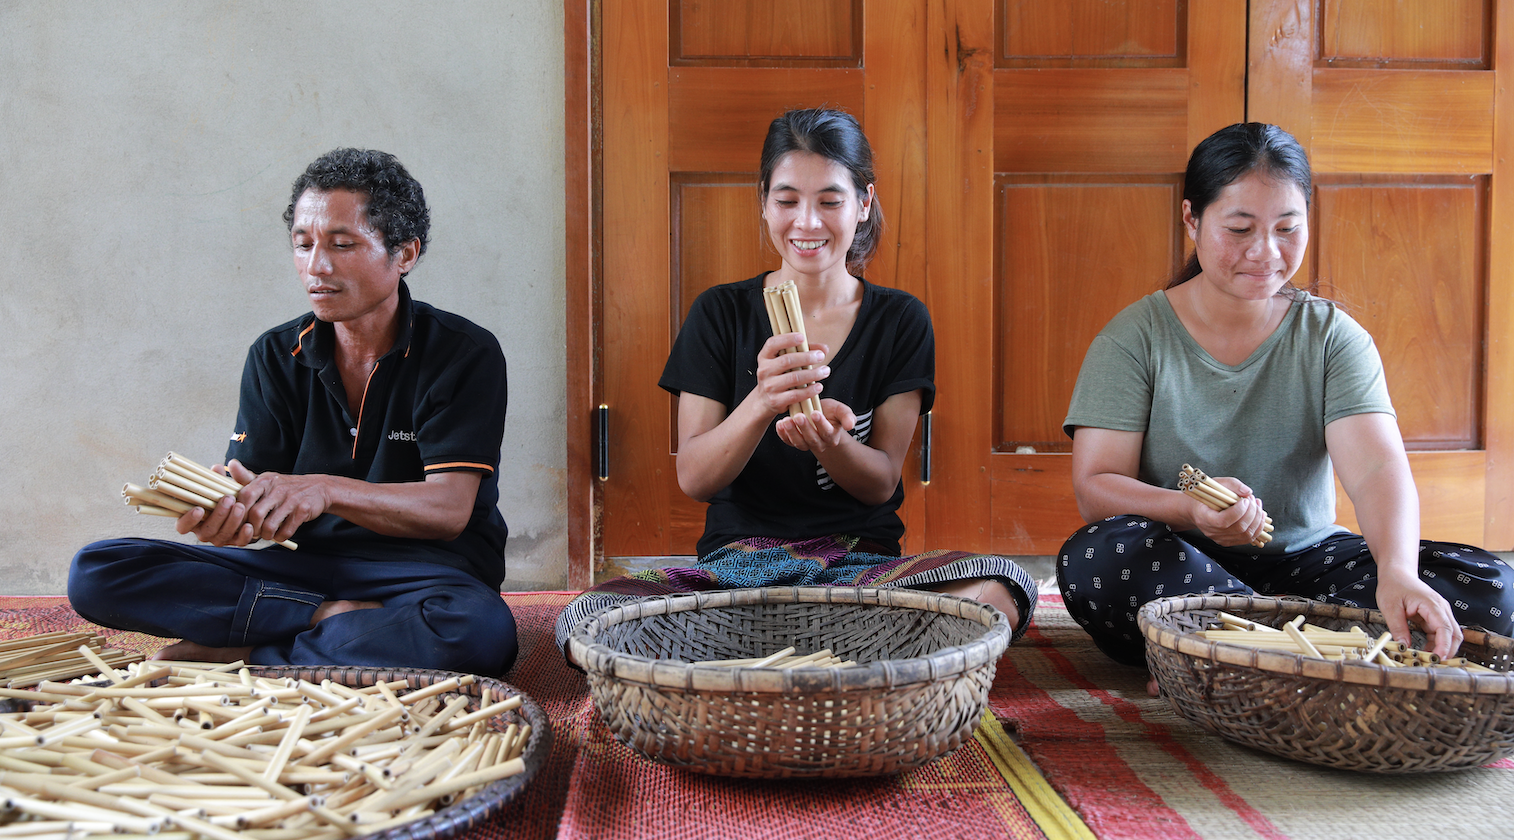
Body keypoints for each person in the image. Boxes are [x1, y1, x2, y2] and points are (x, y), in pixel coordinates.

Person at [556, 108, 1037, 657]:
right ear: (764, 202)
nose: (807, 223)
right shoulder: (721, 312)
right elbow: (695, 477)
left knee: (997, 586)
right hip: (739, 571)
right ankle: (846, 654)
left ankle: (766, 652)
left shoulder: (900, 318)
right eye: (787, 200)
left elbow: (879, 483)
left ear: (864, 204)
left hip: (862, 572)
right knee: (588, 617)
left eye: (830, 201)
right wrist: (762, 402)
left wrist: (831, 444)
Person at [1056, 122, 1514, 690]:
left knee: (1494, 588)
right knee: (1096, 559)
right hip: (1180, 565)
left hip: (1307, 565)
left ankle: (1221, 654)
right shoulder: (1134, 337)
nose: (1265, 253)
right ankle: (1307, 653)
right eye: (1240, 228)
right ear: (1192, 218)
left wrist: (1396, 572)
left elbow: (1376, 470)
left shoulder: (1332, 337)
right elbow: (1096, 485)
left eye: (1287, 228)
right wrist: (1191, 510)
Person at [69, 148, 517, 675]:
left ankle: (251, 653)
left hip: (421, 574)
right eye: (303, 245)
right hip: (299, 570)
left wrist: (323, 488)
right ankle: (330, 623)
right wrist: (231, 517)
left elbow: (447, 511)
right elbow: (259, 503)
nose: (316, 267)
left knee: (478, 631)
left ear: (405, 254)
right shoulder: (274, 354)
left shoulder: (464, 352)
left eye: (341, 244)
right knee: (99, 570)